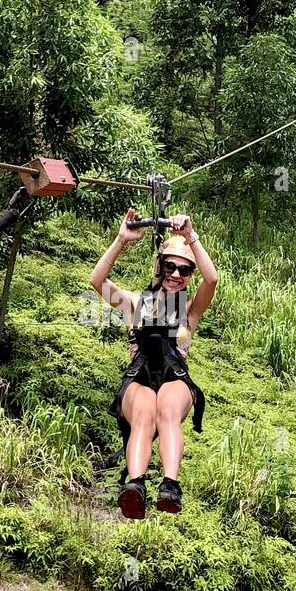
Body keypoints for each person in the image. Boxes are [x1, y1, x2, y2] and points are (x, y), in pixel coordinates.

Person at [90, 210, 217, 518]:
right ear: (161, 266)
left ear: (189, 275)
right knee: (145, 416)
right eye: (170, 266)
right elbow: (98, 281)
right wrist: (123, 239)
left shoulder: (190, 310)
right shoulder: (135, 303)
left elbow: (212, 278)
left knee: (169, 411)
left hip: (175, 377)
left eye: (184, 270)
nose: (176, 274)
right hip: (140, 377)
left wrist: (190, 236)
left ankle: (170, 486)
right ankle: (135, 486)